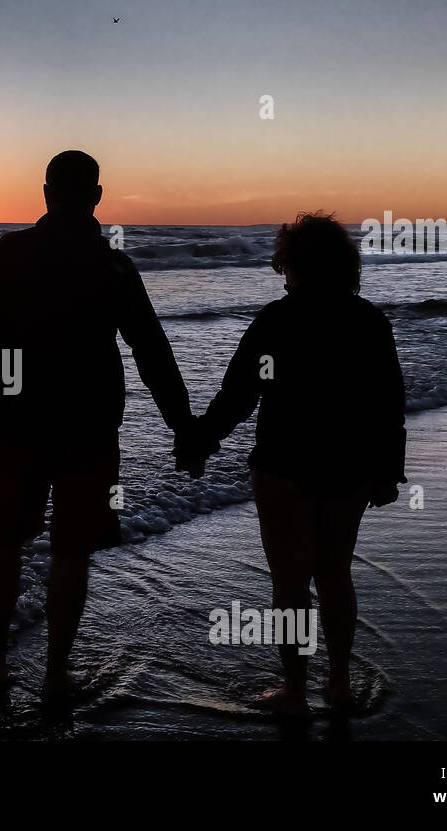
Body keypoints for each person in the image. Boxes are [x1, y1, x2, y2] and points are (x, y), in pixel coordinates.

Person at [0, 150, 200, 699]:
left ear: (46, 194)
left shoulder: (12, 252)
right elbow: (151, 351)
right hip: (91, 425)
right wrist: (183, 427)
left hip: (20, 418)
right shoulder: (111, 264)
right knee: (72, 548)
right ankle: (55, 674)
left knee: (3, 539)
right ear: (96, 195)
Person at [175, 211, 407, 715]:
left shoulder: (276, 321)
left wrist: (198, 443)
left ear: (291, 263)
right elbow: (388, 402)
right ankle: (340, 681)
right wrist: (389, 470)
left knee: (290, 582)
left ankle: (296, 691)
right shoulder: (367, 321)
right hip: (349, 464)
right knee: (335, 573)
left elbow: (238, 396)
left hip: (282, 463)